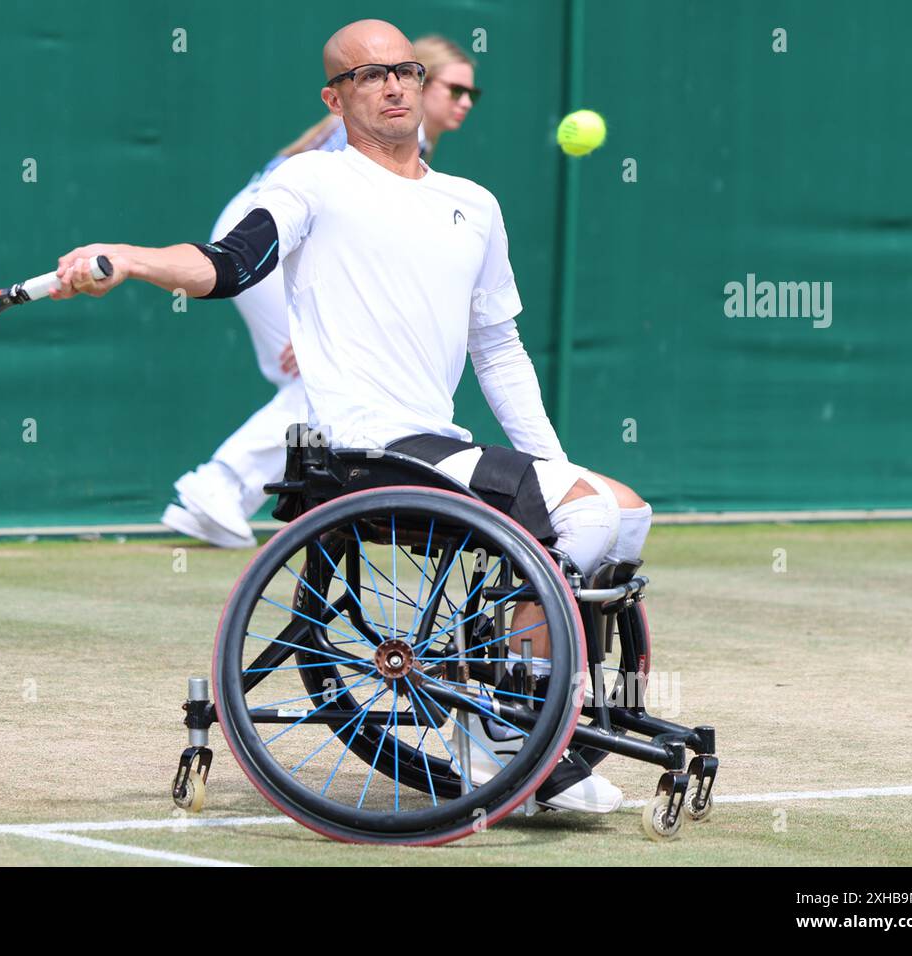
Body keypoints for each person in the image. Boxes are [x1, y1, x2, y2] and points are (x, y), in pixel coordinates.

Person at [52, 19, 652, 813]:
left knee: (625, 516)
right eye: (369, 76)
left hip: (436, 442)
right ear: (336, 98)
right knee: (586, 521)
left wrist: (557, 469)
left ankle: (510, 702)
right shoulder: (311, 184)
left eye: (404, 70)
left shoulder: (471, 203)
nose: (394, 85)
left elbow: (498, 352)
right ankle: (505, 729)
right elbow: (225, 265)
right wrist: (131, 260)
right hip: (366, 446)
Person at [163, 35, 483, 549]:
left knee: (321, 384)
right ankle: (218, 485)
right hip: (271, 236)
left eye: (474, 94)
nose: (465, 101)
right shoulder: (394, 132)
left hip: (274, 229)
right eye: (456, 88)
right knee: (322, 377)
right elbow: (340, 221)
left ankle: (275, 497)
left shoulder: (401, 137)